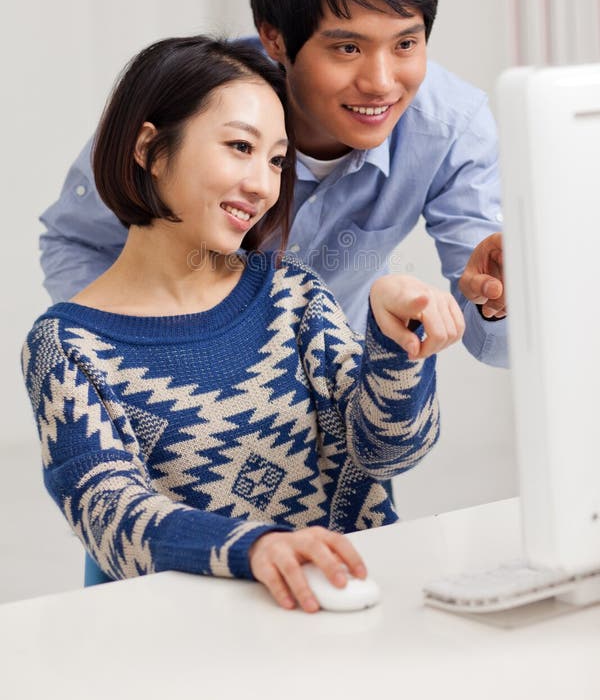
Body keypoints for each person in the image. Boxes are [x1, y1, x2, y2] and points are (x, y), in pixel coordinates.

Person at [22, 36, 464, 612]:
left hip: (349, 624)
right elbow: (110, 516)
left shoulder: (293, 295)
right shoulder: (67, 346)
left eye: (277, 160)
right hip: (205, 643)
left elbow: (388, 453)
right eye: (240, 147)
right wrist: (257, 549)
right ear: (150, 149)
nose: (263, 185)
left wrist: (395, 346)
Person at [38, 0, 507, 366]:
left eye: (405, 44)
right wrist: (151, 366)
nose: (381, 83)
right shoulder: (191, 100)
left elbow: (497, 342)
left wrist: (499, 299)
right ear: (275, 38)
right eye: (348, 49)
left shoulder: (451, 128)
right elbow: (79, 242)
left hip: (334, 385)